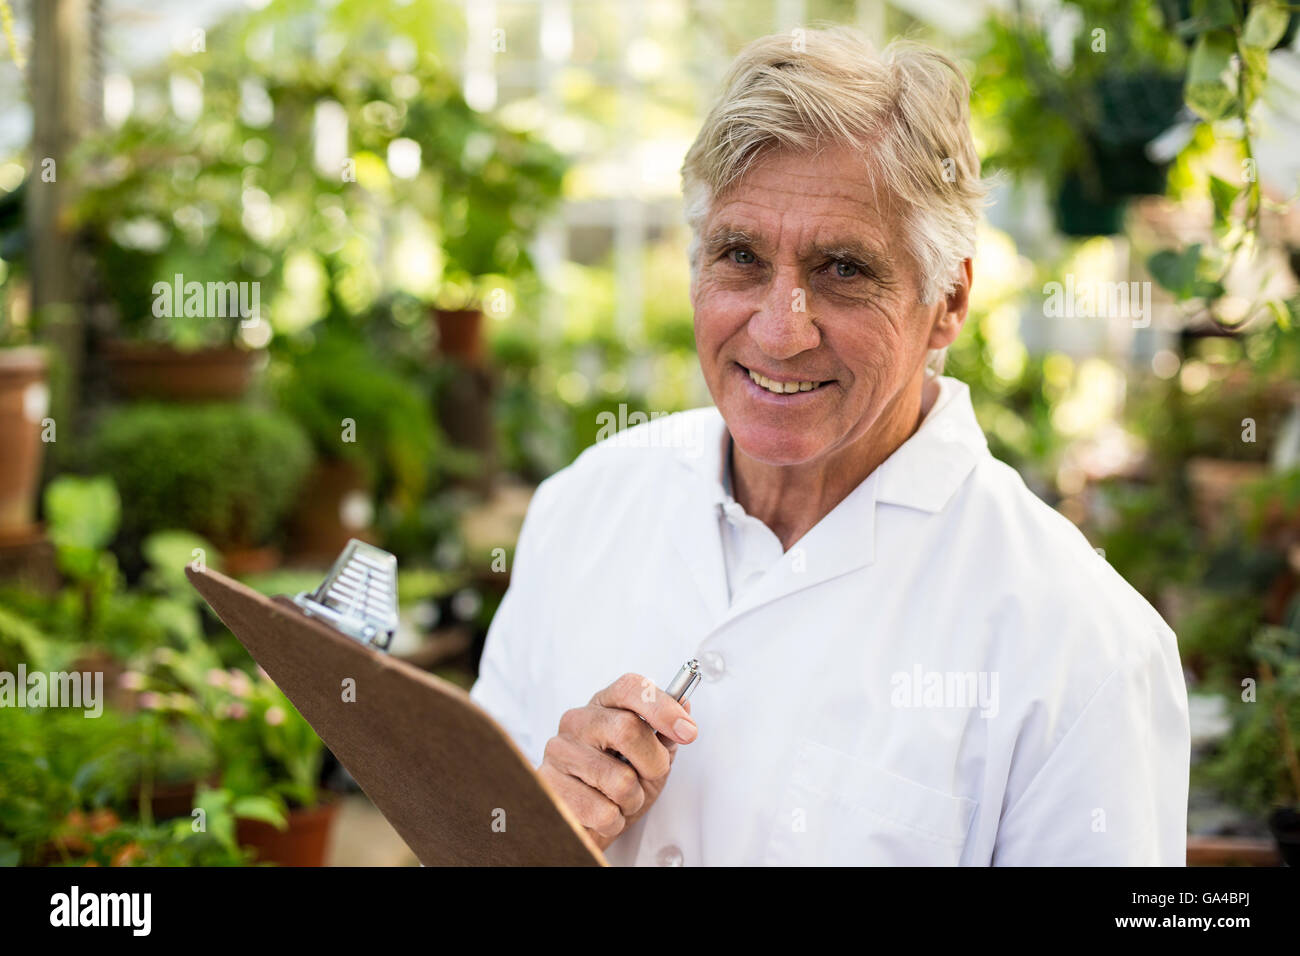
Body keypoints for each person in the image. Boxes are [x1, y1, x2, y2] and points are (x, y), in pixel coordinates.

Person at [470, 26, 1190, 865]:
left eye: (843, 269)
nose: (780, 332)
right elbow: (475, 833)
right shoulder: (586, 505)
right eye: (740, 256)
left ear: (949, 301)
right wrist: (536, 829)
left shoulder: (1081, 644)